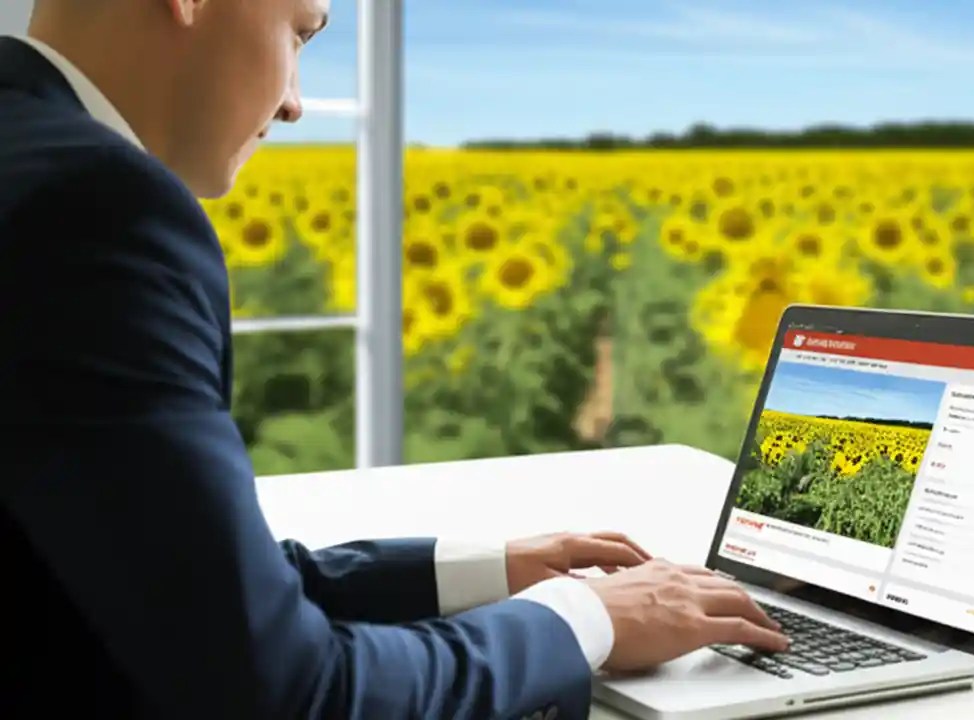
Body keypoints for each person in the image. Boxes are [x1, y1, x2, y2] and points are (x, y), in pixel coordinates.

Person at [0, 1, 789, 718]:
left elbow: (162, 582)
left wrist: (486, 572)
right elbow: (285, 691)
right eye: (300, 34)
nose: (294, 103)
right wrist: (587, 620)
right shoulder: (98, 209)